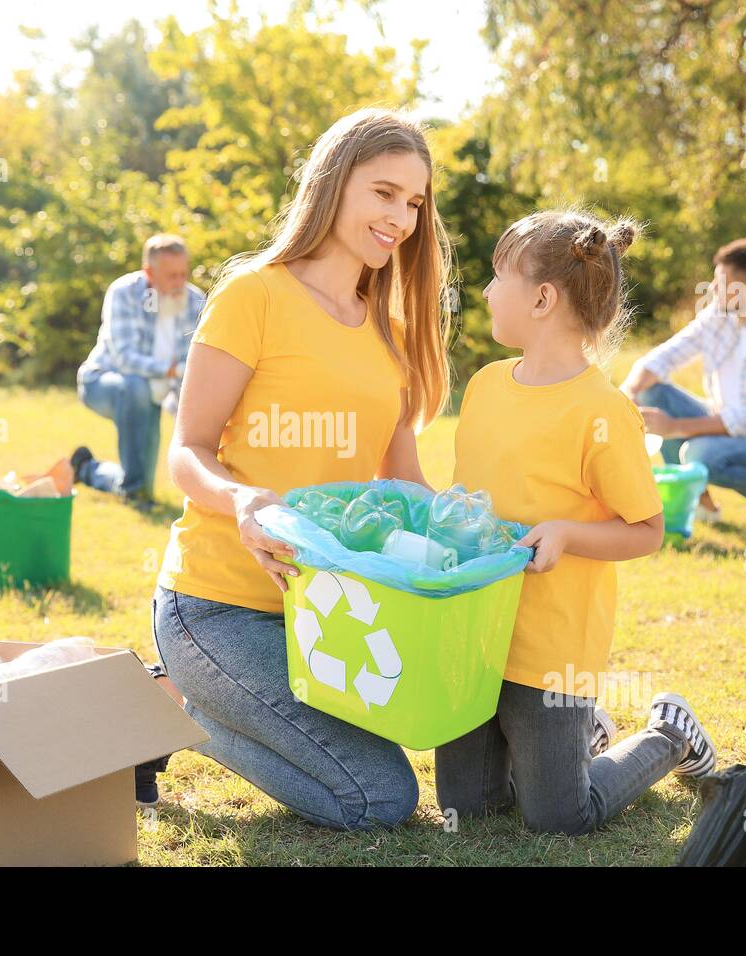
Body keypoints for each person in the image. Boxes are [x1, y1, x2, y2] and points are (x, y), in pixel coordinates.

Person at [150, 107, 454, 830]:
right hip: (218, 607)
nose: (401, 218)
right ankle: (164, 706)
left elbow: (406, 482)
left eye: (414, 202)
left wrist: (473, 536)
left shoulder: (393, 330)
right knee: (379, 798)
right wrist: (244, 500)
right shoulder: (254, 296)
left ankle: (173, 702)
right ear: (334, 182)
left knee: (400, 754)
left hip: (327, 613)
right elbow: (186, 450)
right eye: (384, 193)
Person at [435, 209, 718, 835]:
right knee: (465, 809)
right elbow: (471, 496)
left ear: (541, 297)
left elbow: (646, 529)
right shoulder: (483, 386)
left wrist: (566, 532)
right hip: (476, 631)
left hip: (551, 648)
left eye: (497, 276)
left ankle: (669, 733)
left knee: (559, 817)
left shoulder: (604, 410)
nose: (483, 292)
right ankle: (576, 734)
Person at [620, 238, 746, 532]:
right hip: (729, 423)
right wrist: (628, 396)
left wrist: (675, 428)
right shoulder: (719, 315)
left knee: (700, 454)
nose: (713, 289)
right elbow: (661, 359)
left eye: (720, 281)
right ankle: (701, 504)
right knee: (651, 390)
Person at [73, 234, 206, 509]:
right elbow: (124, 359)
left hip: (159, 392)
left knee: (138, 480)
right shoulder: (124, 292)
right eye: (171, 276)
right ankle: (134, 494)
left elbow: (194, 369)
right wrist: (173, 370)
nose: (180, 282)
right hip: (104, 382)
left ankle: (88, 469)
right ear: (149, 272)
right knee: (137, 387)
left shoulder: (195, 301)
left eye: (184, 273)